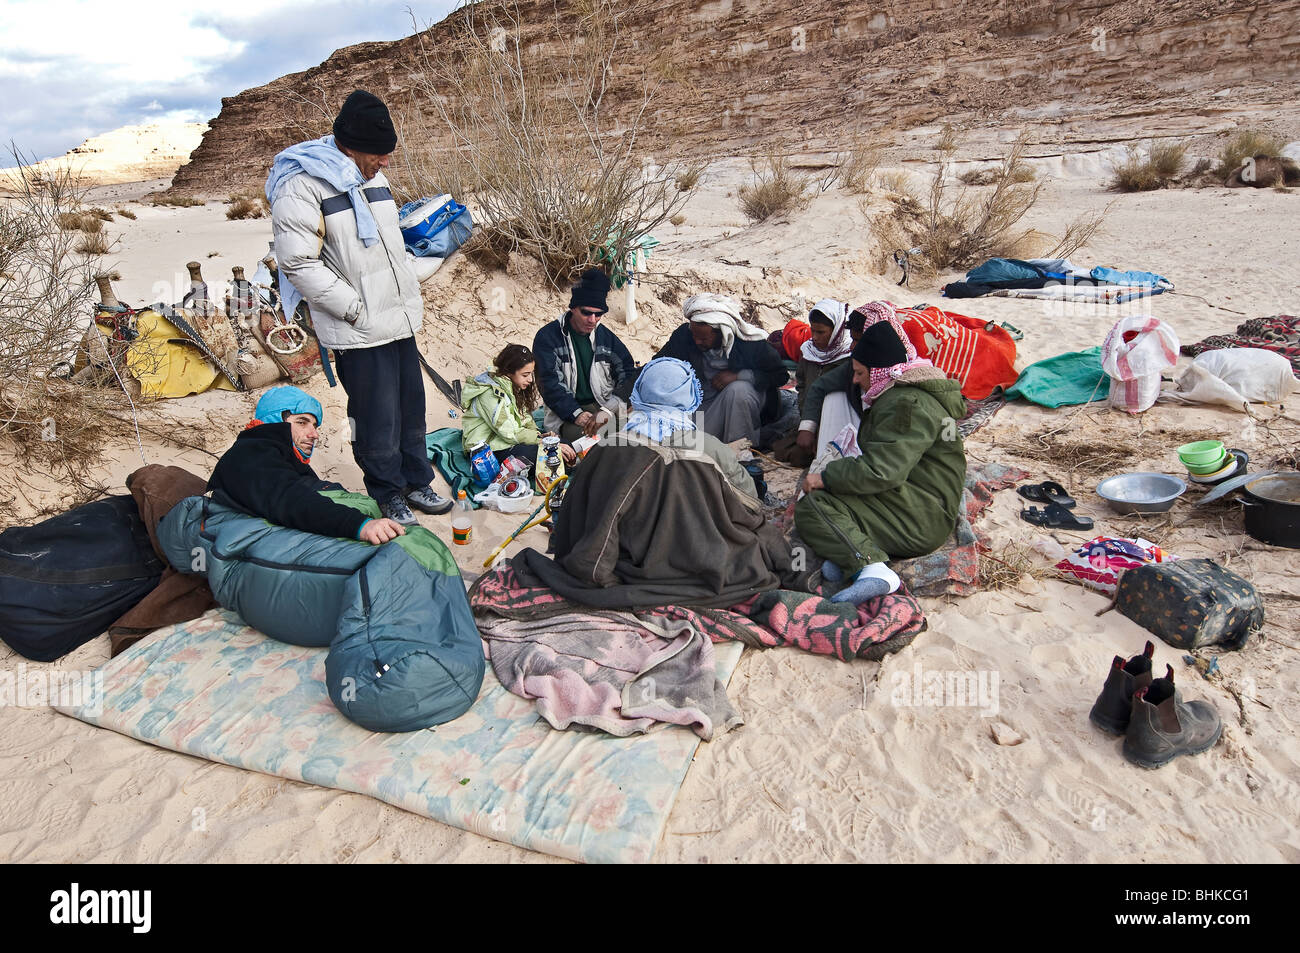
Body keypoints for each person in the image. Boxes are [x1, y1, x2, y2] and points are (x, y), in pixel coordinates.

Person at [266, 89, 453, 528]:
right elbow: (296, 263)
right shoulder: (302, 186)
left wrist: (409, 276)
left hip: (397, 318)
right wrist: (352, 307)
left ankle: (417, 480)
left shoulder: (371, 175)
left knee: (411, 408)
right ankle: (388, 493)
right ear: (350, 145)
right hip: (357, 325)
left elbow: (388, 246)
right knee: (375, 418)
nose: (385, 162)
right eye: (378, 153)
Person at [794, 311, 967, 604]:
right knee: (837, 495)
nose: (856, 380)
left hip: (924, 516)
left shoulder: (906, 405)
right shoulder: (899, 394)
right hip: (917, 499)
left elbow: (881, 472)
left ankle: (872, 568)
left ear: (878, 372)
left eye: (860, 373)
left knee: (813, 506)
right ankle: (852, 554)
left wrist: (825, 477)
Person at [208, 386, 407, 546]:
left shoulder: (283, 458)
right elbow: (291, 500)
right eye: (302, 422)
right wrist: (360, 525)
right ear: (275, 420)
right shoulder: (250, 454)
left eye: (314, 426)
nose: (314, 434)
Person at [653, 293, 786, 448]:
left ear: (721, 332)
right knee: (678, 441)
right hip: (705, 404)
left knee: (738, 390)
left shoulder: (750, 344)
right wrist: (627, 397)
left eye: (703, 339)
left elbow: (779, 376)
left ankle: (740, 450)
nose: (697, 342)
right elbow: (657, 366)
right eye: (695, 336)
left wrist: (739, 376)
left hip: (745, 403)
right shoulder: (685, 336)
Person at [614, 356, 756, 498]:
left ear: (640, 388)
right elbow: (750, 499)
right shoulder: (710, 448)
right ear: (690, 394)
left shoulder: (613, 436)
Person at [533, 267, 637, 443]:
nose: (592, 320)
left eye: (599, 314)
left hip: (604, 406)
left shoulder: (606, 338)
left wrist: (611, 408)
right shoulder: (548, 338)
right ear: (573, 308)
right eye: (586, 313)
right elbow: (548, 384)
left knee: (639, 428)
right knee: (591, 441)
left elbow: (627, 373)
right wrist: (577, 414)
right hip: (568, 413)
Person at [460, 343, 576, 466]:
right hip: (484, 452)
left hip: (504, 442)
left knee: (564, 445)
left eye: (531, 374)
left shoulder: (512, 388)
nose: (531, 380)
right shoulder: (490, 394)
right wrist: (542, 442)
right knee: (548, 454)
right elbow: (510, 433)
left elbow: (523, 418)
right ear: (509, 372)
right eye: (525, 375)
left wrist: (539, 435)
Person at [795, 303, 875, 457]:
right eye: (813, 330)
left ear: (837, 332)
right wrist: (808, 426)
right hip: (814, 418)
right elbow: (808, 387)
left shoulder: (850, 359)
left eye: (821, 332)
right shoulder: (808, 350)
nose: (814, 337)